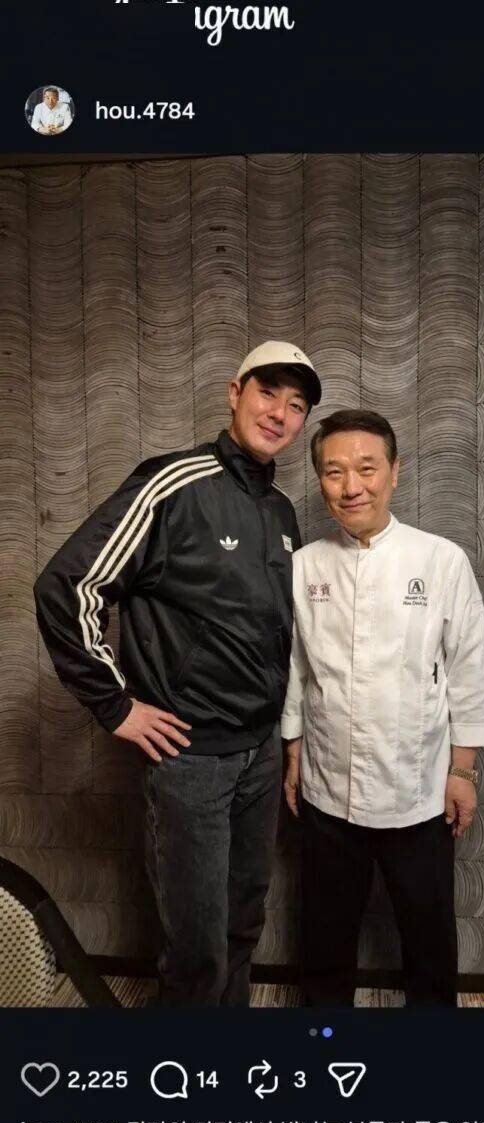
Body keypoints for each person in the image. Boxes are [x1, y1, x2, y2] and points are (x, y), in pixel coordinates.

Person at [33, 341, 322, 1007]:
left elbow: (284, 632)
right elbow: (69, 587)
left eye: (295, 404)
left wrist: (286, 737)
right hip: (191, 757)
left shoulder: (280, 510)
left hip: (259, 754)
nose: (279, 413)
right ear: (235, 393)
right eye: (267, 392)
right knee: (195, 946)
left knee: (242, 922)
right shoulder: (173, 483)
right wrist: (117, 706)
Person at [281, 408, 484, 1007]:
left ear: (395, 472)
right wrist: (293, 749)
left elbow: (469, 670)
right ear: (321, 481)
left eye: (367, 468)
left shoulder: (441, 560)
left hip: (418, 788)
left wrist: (463, 771)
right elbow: (296, 666)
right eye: (334, 472)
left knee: (429, 941)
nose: (351, 486)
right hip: (328, 787)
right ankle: (324, 1040)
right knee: (324, 940)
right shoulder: (304, 566)